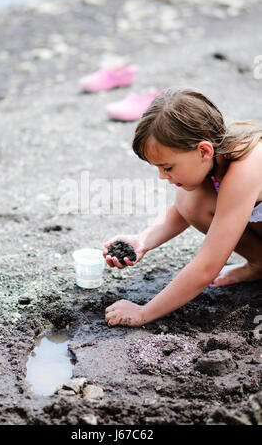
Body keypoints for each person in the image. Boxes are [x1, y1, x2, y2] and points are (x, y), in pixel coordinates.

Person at [103, 87, 262, 327]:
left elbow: (207, 266)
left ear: (203, 150)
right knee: (190, 199)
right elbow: (182, 210)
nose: (162, 176)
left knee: (198, 201)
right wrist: (143, 241)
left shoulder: (246, 166)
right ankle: (259, 264)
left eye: (167, 167)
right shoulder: (215, 155)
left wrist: (144, 312)